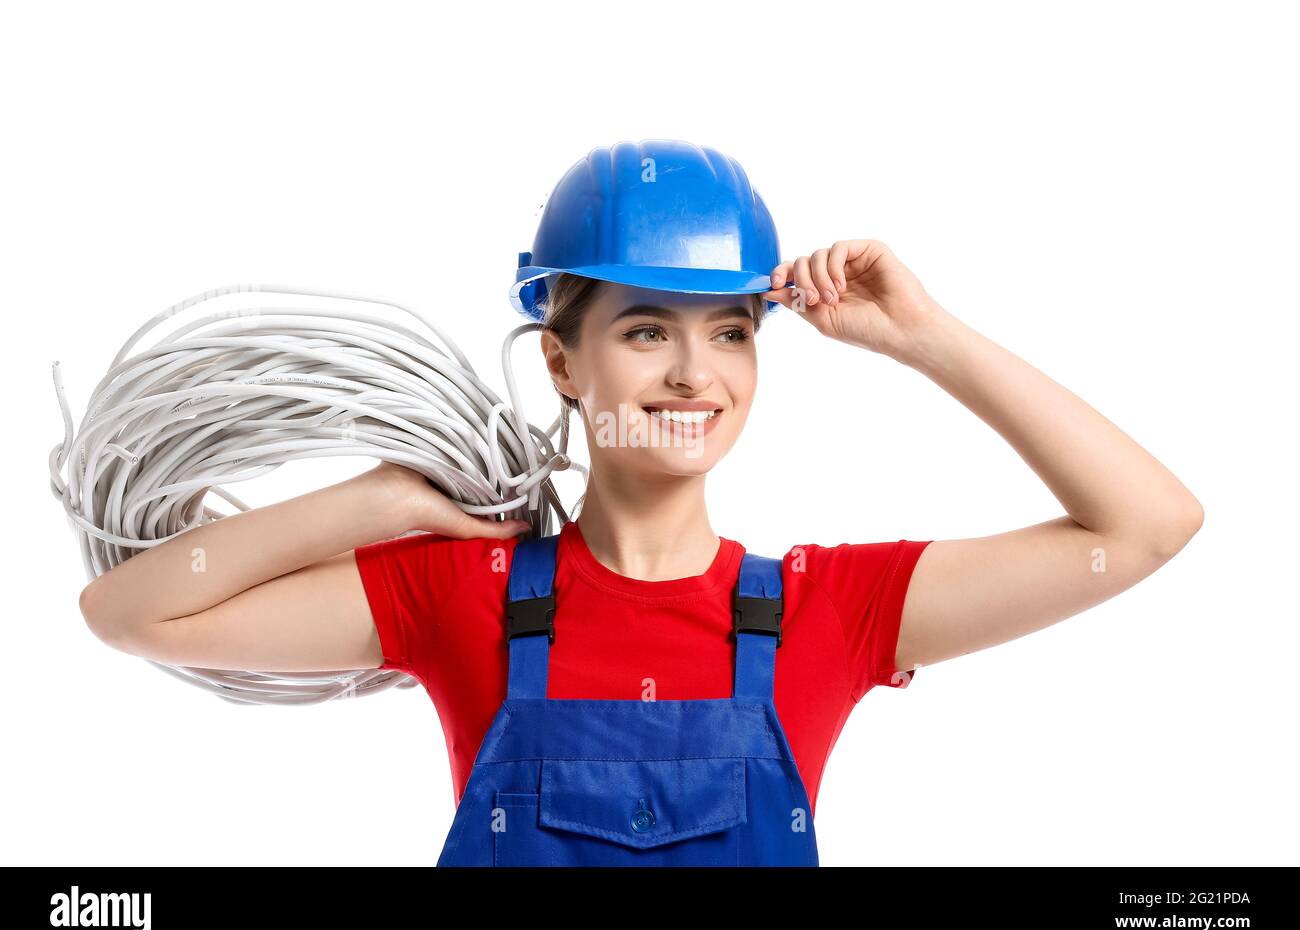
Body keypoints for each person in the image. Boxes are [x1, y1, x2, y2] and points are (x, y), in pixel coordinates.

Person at [78, 142, 1203, 865]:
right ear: (563, 361)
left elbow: (1145, 525)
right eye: (644, 328)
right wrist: (369, 503)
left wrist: (926, 337)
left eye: (730, 332)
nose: (692, 376)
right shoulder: (459, 591)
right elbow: (131, 612)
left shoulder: (829, 608)